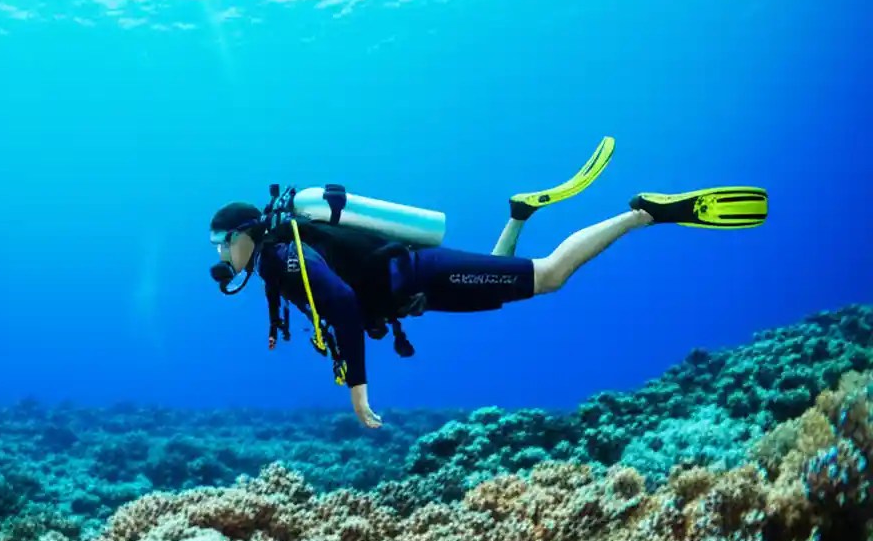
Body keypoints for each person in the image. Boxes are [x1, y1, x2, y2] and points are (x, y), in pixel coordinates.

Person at [206, 137, 768, 428]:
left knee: (548, 277)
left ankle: (644, 212)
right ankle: (519, 212)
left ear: (243, 234)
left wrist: (358, 389)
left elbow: (345, 305)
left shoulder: (280, 259)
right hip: (419, 291)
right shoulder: (278, 261)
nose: (222, 255)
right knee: (507, 286)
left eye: (221, 243)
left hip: (421, 275)